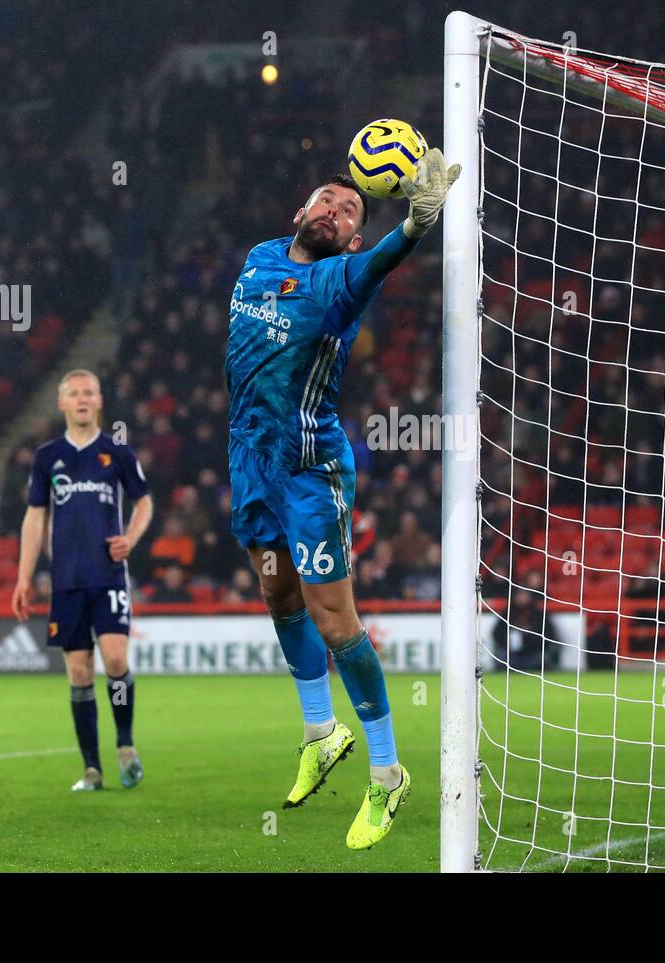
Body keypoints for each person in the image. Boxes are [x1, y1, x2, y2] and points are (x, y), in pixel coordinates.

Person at [225, 154, 459, 849]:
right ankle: (321, 731)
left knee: (334, 619)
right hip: (250, 460)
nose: (334, 210)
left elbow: (382, 262)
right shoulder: (260, 256)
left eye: (350, 210)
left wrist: (414, 227)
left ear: (355, 239)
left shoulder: (341, 280)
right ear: (300, 213)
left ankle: (387, 773)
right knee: (277, 592)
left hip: (308, 469)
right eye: (325, 201)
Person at [11, 369, 154, 793]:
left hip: (108, 577)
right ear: (61, 403)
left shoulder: (118, 454)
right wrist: (23, 578)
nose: (81, 399)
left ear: (99, 401)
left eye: (88, 392)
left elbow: (144, 502)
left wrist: (129, 538)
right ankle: (91, 769)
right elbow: (35, 518)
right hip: (67, 582)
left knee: (113, 662)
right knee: (77, 672)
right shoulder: (46, 458)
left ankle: (125, 744)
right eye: (73, 394)